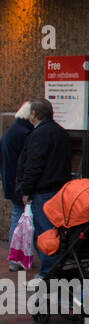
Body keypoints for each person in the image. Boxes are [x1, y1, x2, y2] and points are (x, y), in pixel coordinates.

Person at [16, 99, 72, 277]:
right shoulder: (61, 133)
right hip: (60, 189)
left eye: (31, 113)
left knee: (45, 233)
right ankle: (54, 269)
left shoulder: (39, 135)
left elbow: (34, 165)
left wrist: (26, 190)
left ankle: (48, 272)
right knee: (55, 232)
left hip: (43, 191)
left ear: (34, 114)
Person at [2, 103, 34, 270]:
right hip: (19, 185)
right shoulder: (24, 133)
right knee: (20, 218)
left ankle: (16, 258)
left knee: (17, 217)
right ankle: (16, 259)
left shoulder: (12, 130)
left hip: (11, 183)